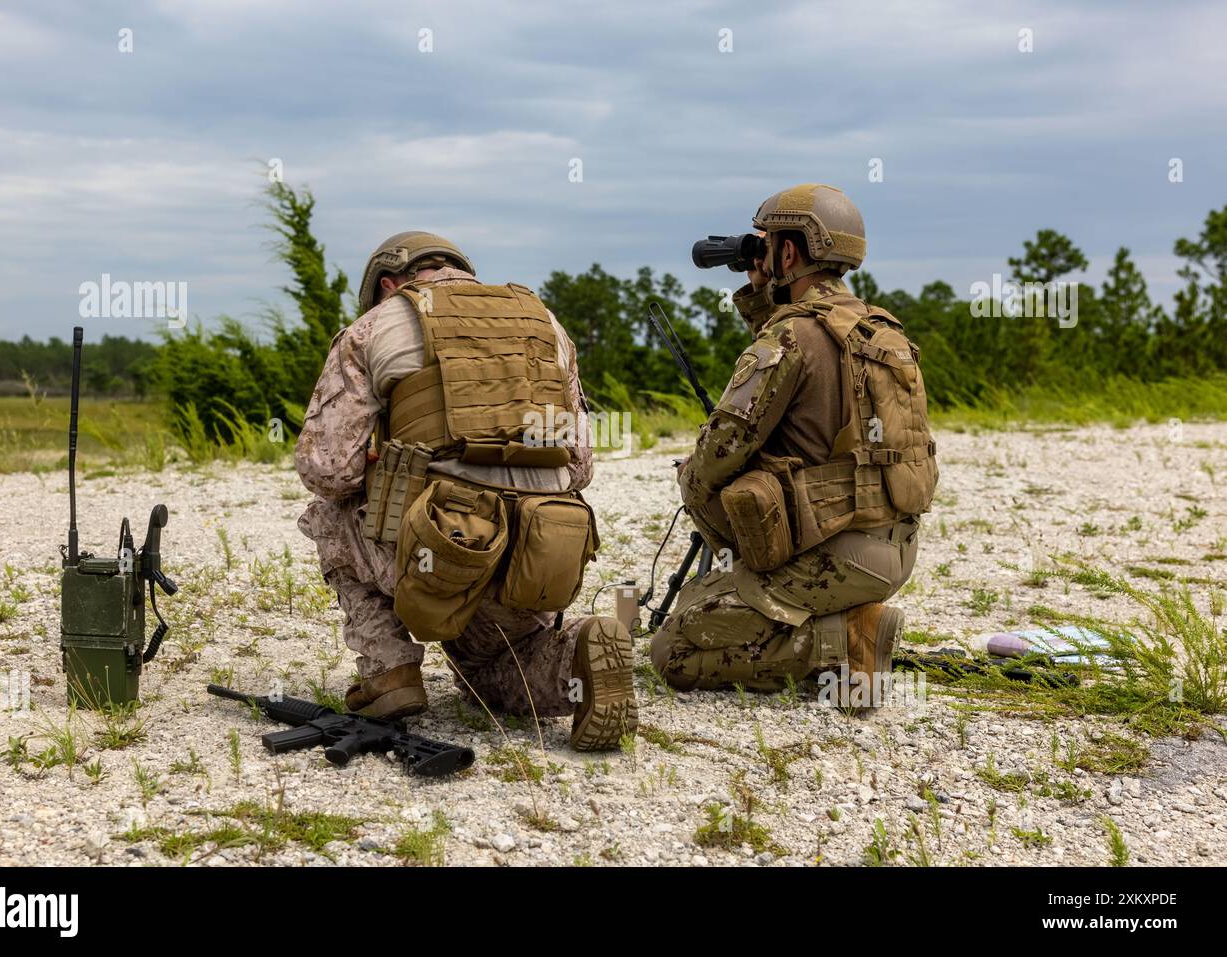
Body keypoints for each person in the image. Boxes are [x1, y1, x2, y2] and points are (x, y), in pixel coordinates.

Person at [295, 231, 636, 750]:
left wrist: (378, 453)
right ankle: (577, 657)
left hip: (443, 547)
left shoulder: (372, 328)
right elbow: (581, 463)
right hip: (539, 550)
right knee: (494, 668)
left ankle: (391, 672)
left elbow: (327, 470)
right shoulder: (544, 320)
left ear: (388, 284)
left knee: (328, 514)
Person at [650, 185, 938, 708]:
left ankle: (846, 641)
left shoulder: (789, 339)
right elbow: (803, 350)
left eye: (769, 245)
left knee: (673, 648)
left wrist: (699, 492)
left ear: (787, 252)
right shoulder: (875, 329)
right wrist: (762, 295)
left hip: (834, 557)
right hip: (894, 545)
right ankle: (838, 619)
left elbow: (720, 451)